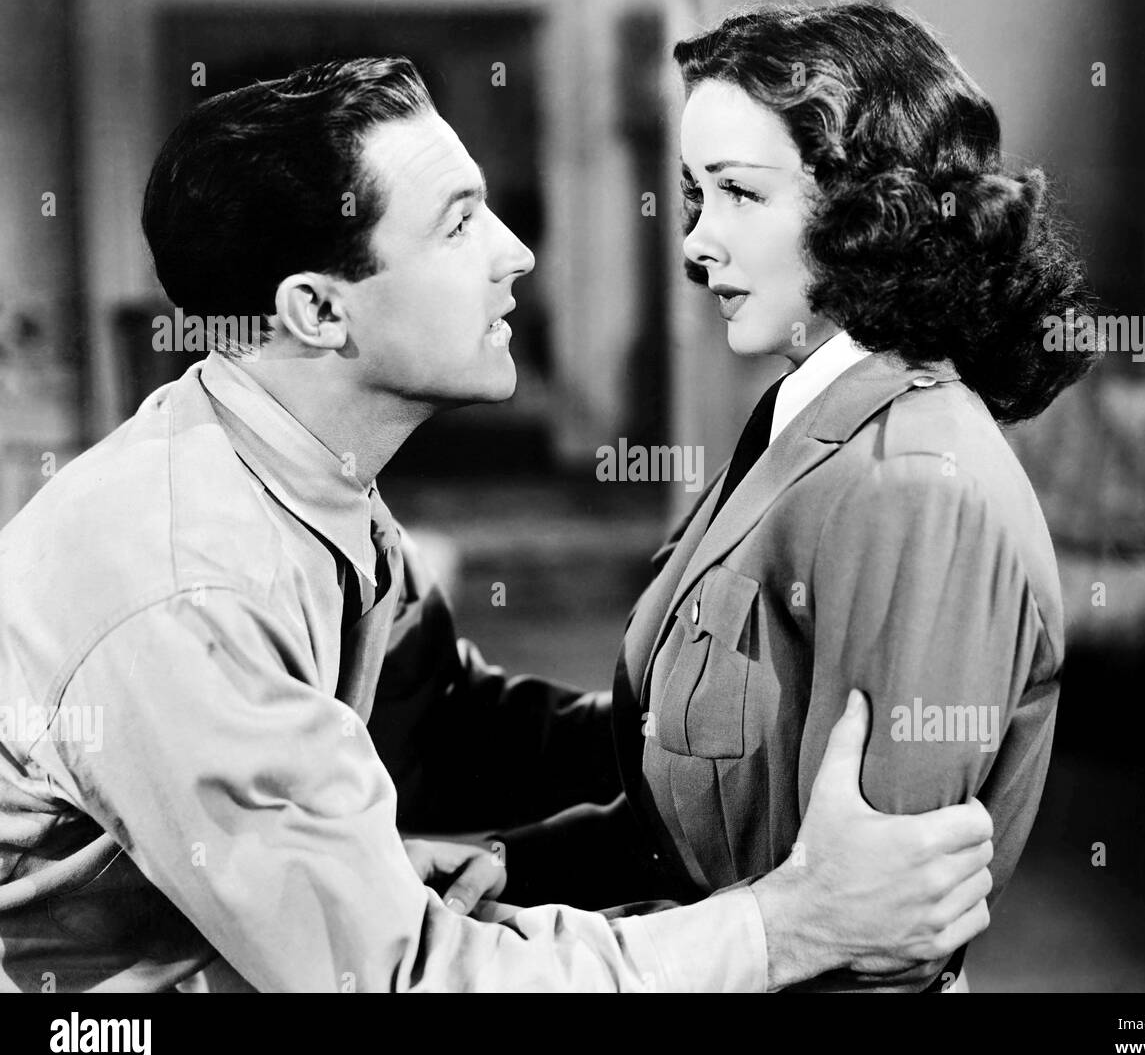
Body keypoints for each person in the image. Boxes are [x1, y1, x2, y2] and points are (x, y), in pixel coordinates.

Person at [0, 56, 994, 992]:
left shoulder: (293, 465)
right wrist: (792, 926)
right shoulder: (189, 585)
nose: (515, 255)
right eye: (459, 225)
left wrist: (714, 733)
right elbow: (406, 982)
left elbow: (436, 723)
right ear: (318, 312)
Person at [495, 2, 1097, 992]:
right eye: (696, 195)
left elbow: (870, 944)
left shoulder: (910, 484)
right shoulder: (806, 415)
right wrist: (509, 873)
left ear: (871, 207)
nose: (697, 244)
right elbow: (687, 819)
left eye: (739, 192)